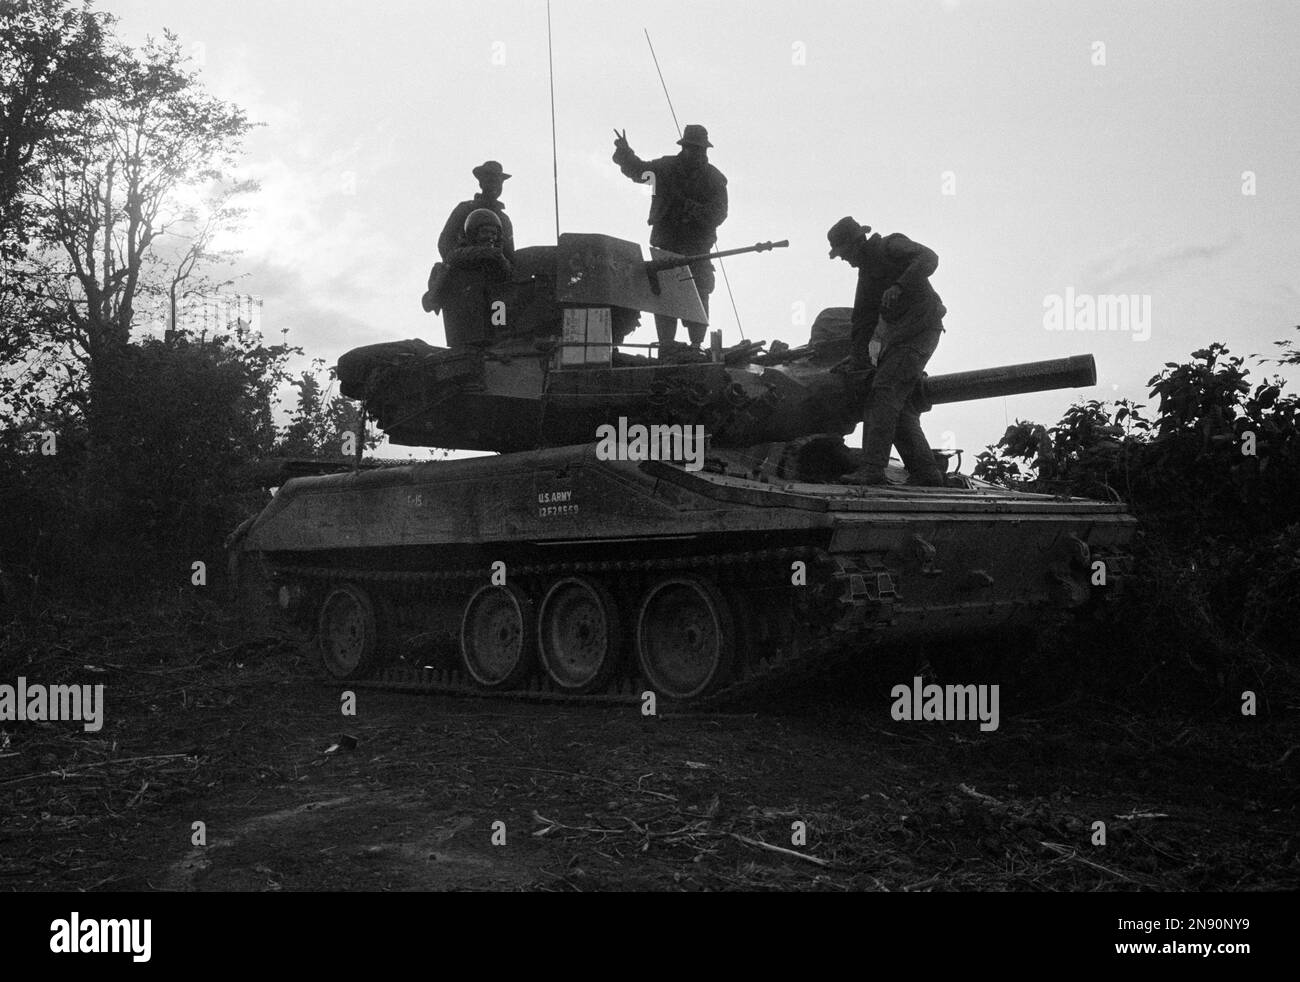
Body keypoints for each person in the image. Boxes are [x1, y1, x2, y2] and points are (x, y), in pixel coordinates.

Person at [826, 216, 947, 487]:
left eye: (843, 253)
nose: (844, 260)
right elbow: (863, 321)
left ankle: (871, 469)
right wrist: (857, 360)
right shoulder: (866, 274)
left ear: (855, 244)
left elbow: (929, 257)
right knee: (895, 404)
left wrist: (900, 285)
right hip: (898, 340)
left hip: (921, 332)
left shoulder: (890, 246)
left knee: (883, 393)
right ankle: (926, 472)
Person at [611, 124, 727, 350]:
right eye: (692, 148)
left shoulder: (714, 179)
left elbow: (719, 213)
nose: (696, 153)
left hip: (697, 248)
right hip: (666, 244)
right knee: (664, 296)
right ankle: (667, 345)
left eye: (700, 149)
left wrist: (691, 209)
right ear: (684, 147)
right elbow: (639, 171)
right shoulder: (665, 168)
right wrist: (625, 152)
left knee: (699, 293)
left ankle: (696, 346)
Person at [438, 160, 515, 263]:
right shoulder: (465, 209)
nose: (494, 186)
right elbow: (445, 244)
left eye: (498, 182)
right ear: (481, 183)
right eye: (490, 181)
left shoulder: (504, 220)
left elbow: (509, 255)